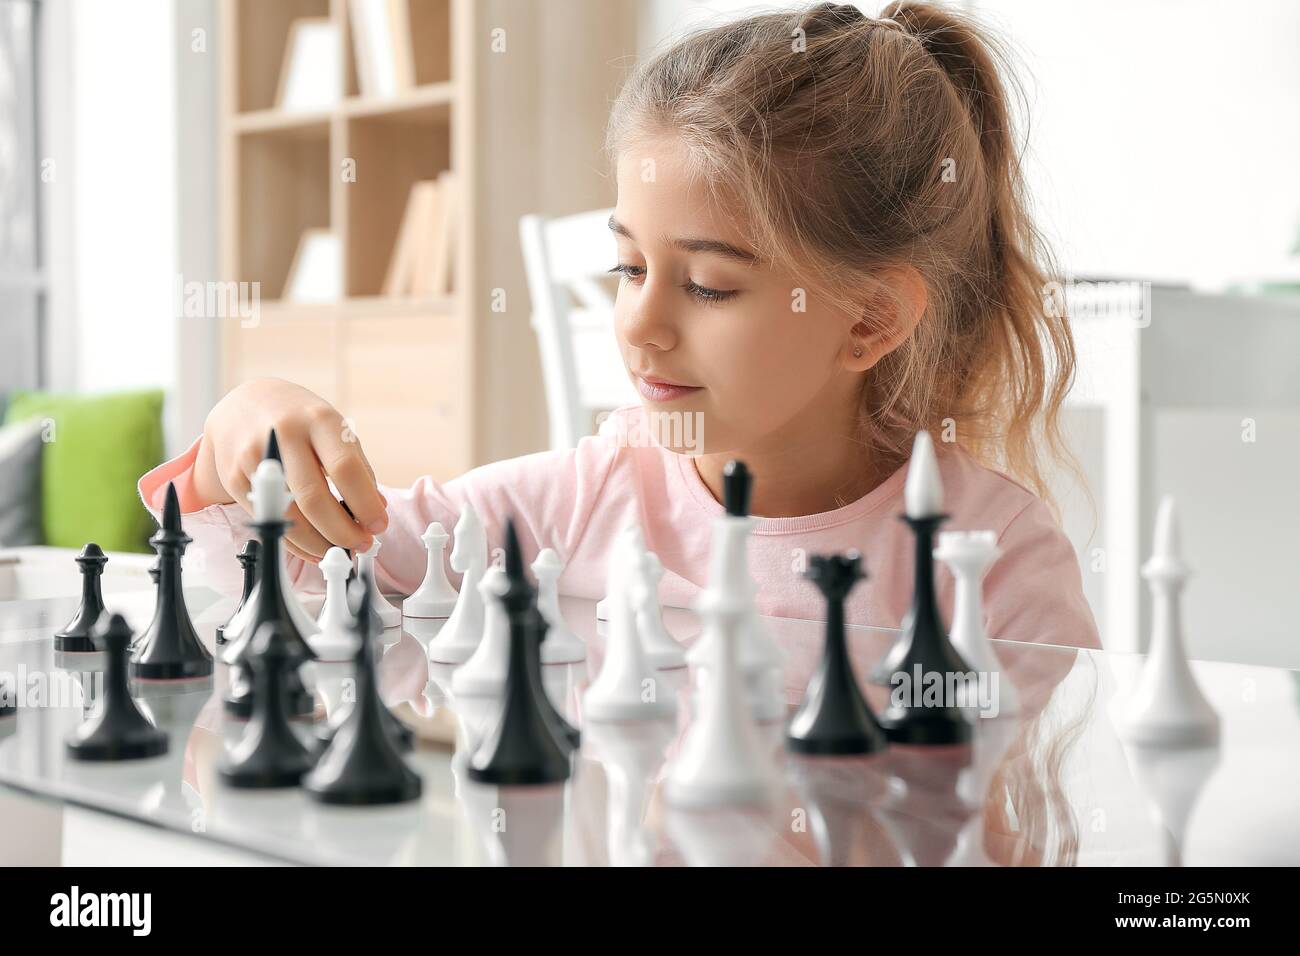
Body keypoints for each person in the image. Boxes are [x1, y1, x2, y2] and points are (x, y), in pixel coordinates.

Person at [140, 2, 1099, 650]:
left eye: (711, 287)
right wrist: (246, 424)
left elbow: (1054, 810)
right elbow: (303, 568)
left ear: (872, 320)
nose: (637, 325)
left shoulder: (997, 555)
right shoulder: (586, 495)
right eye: (628, 267)